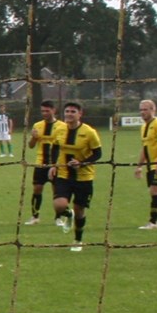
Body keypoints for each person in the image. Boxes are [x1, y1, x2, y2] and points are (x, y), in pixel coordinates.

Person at [50, 102, 101, 252]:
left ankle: (78, 240)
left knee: (80, 210)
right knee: (59, 205)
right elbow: (55, 147)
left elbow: (98, 153)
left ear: (80, 114)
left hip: (84, 177)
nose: (69, 114)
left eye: (73, 111)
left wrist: (82, 163)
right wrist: (53, 165)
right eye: (67, 111)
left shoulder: (89, 132)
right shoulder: (59, 129)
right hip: (64, 174)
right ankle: (67, 213)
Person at [23, 100, 62, 225]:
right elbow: (31, 146)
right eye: (42, 111)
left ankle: (58, 218)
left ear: (53, 110)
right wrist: (34, 138)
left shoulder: (62, 126)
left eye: (47, 111)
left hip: (56, 164)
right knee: (37, 189)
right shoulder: (37, 125)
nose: (44, 113)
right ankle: (35, 217)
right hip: (40, 163)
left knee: (57, 191)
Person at [135, 100, 157, 230]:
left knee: (154, 190)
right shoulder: (143, 127)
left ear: (153, 110)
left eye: (145, 109)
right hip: (151, 166)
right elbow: (145, 148)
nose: (142, 112)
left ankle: (153, 221)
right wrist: (139, 166)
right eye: (141, 109)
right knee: (155, 192)